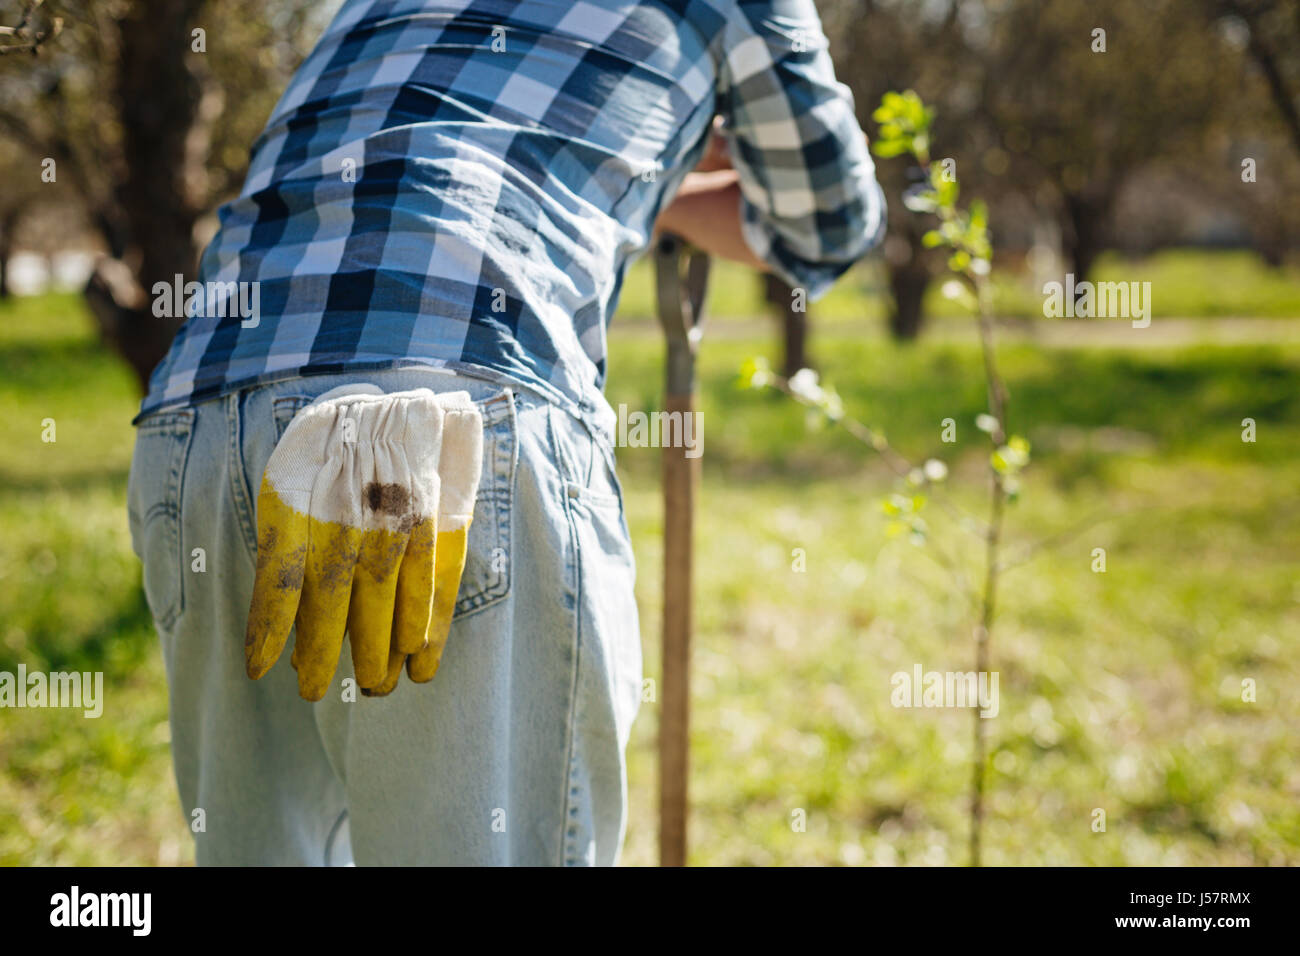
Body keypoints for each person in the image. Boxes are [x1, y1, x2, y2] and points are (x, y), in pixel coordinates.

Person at [126, 0, 885, 866]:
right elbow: (831, 223)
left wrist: (652, 183)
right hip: (443, 422)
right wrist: (670, 168)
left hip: (202, 412)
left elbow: (433, 135)